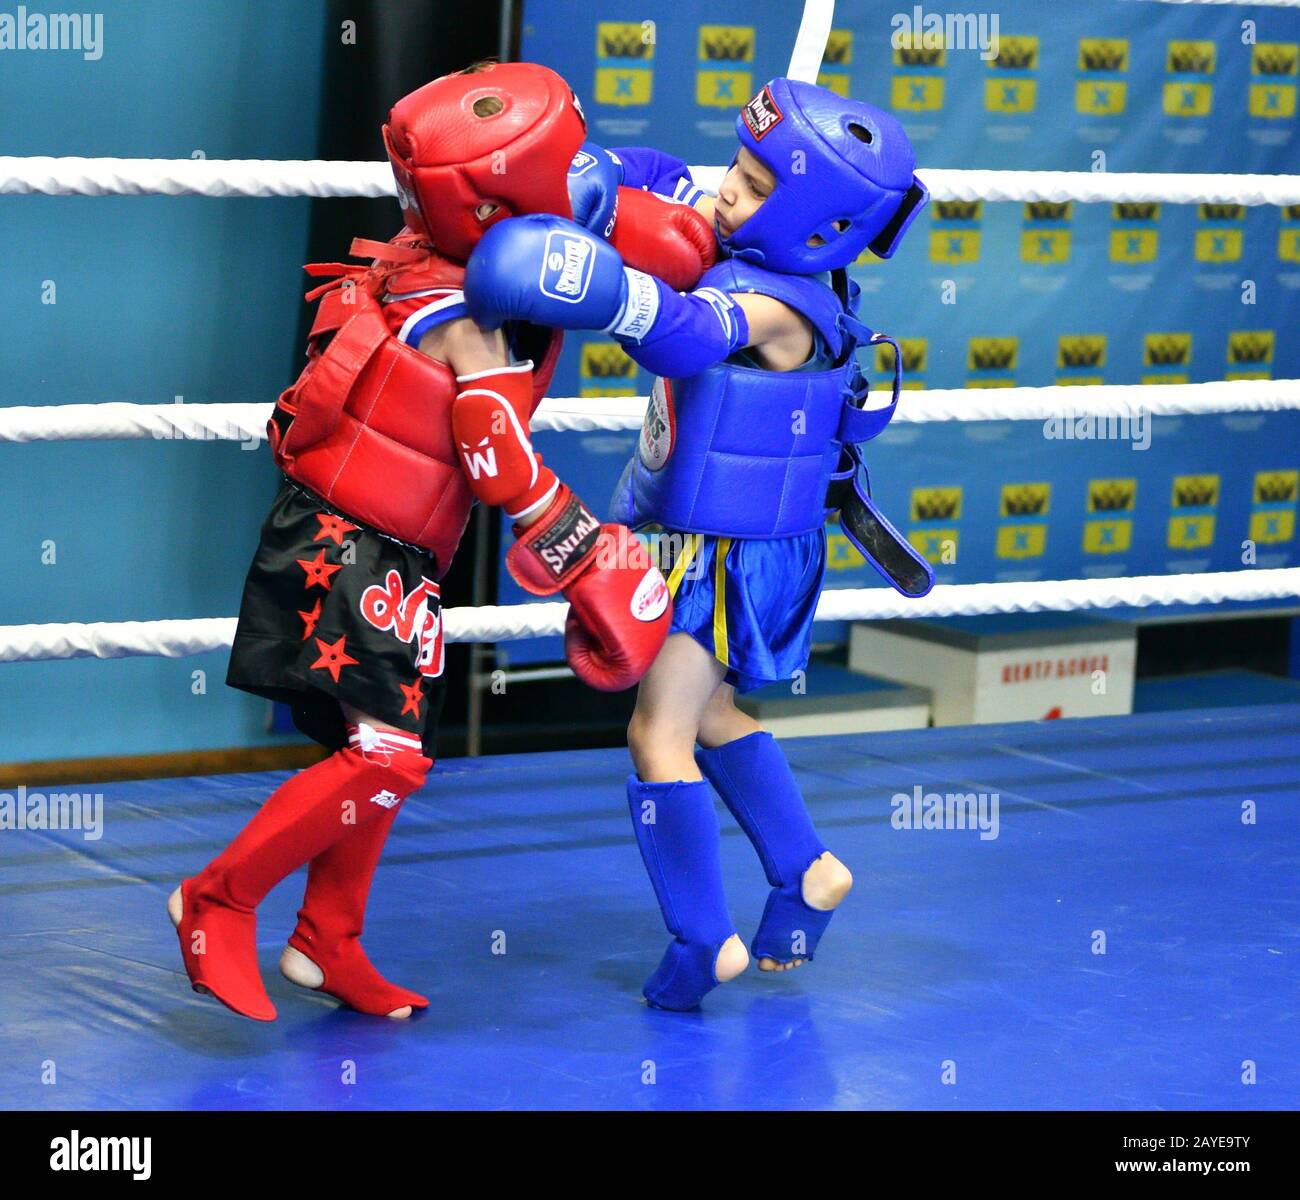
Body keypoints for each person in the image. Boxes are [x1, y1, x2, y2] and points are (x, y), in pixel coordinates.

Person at [169, 60, 712, 1022]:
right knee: (386, 758)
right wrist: (590, 565)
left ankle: (326, 940)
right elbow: (499, 464)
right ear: (505, 198)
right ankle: (217, 899)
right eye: (563, 162)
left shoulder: (440, 249)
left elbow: (619, 192)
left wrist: (677, 213)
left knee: (384, 749)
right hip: (350, 548)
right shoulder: (463, 318)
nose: (582, 173)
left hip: (383, 547)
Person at [463, 77, 930, 1009]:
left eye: (757, 187)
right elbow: (665, 179)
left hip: (724, 555)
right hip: (733, 545)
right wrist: (589, 182)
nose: (728, 193)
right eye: (739, 168)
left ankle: (701, 939)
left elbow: (680, 335)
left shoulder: (779, 309)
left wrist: (585, 282)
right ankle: (809, 870)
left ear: (812, 222)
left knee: (657, 731)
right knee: (709, 717)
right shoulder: (777, 253)